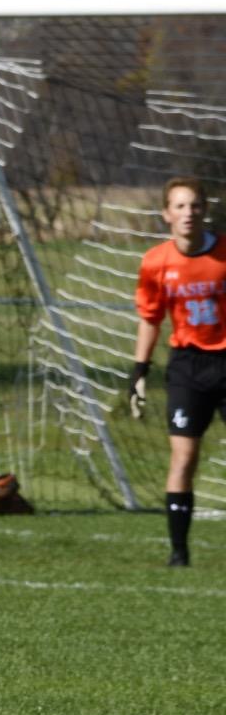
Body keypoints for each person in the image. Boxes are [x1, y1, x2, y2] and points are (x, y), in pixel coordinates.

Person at [127, 175, 226, 567]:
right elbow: (150, 318)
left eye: (195, 205)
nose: (188, 213)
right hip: (187, 366)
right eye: (180, 206)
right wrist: (138, 370)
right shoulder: (155, 261)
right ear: (167, 214)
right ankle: (179, 551)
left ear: (205, 210)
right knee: (183, 458)